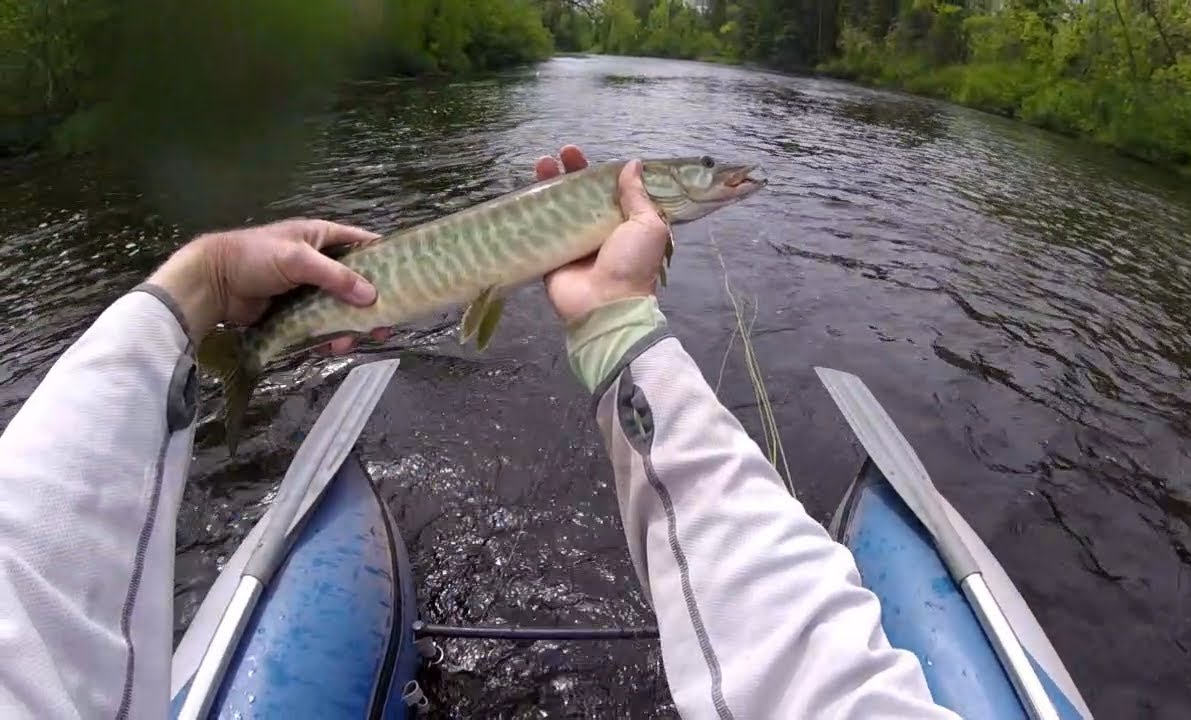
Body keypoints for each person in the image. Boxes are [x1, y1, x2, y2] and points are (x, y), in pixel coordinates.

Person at [0, 146, 954, 719]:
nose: (719, 180)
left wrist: (201, 278)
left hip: (392, 288)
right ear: (652, 186)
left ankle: (244, 346)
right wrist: (617, 312)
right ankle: (251, 355)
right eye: (697, 174)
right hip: (383, 288)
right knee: (371, 296)